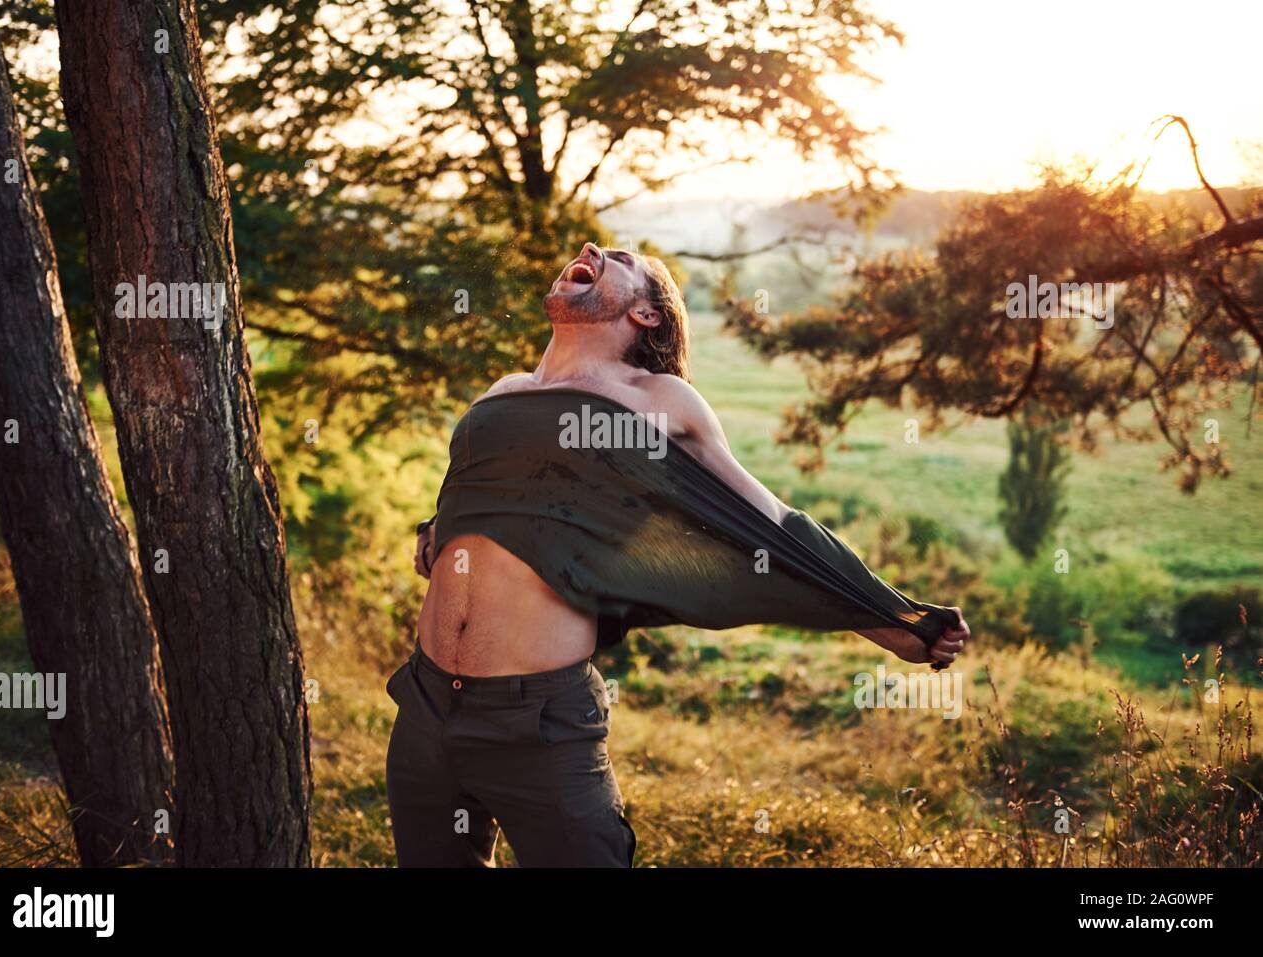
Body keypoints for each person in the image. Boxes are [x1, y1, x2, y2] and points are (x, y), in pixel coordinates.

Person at [385, 242, 970, 867]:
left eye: (620, 258)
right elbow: (479, 494)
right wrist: (436, 532)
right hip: (425, 707)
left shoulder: (658, 401)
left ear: (647, 315)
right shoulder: (504, 392)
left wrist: (897, 622)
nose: (590, 249)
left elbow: (771, 528)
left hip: (538, 724)